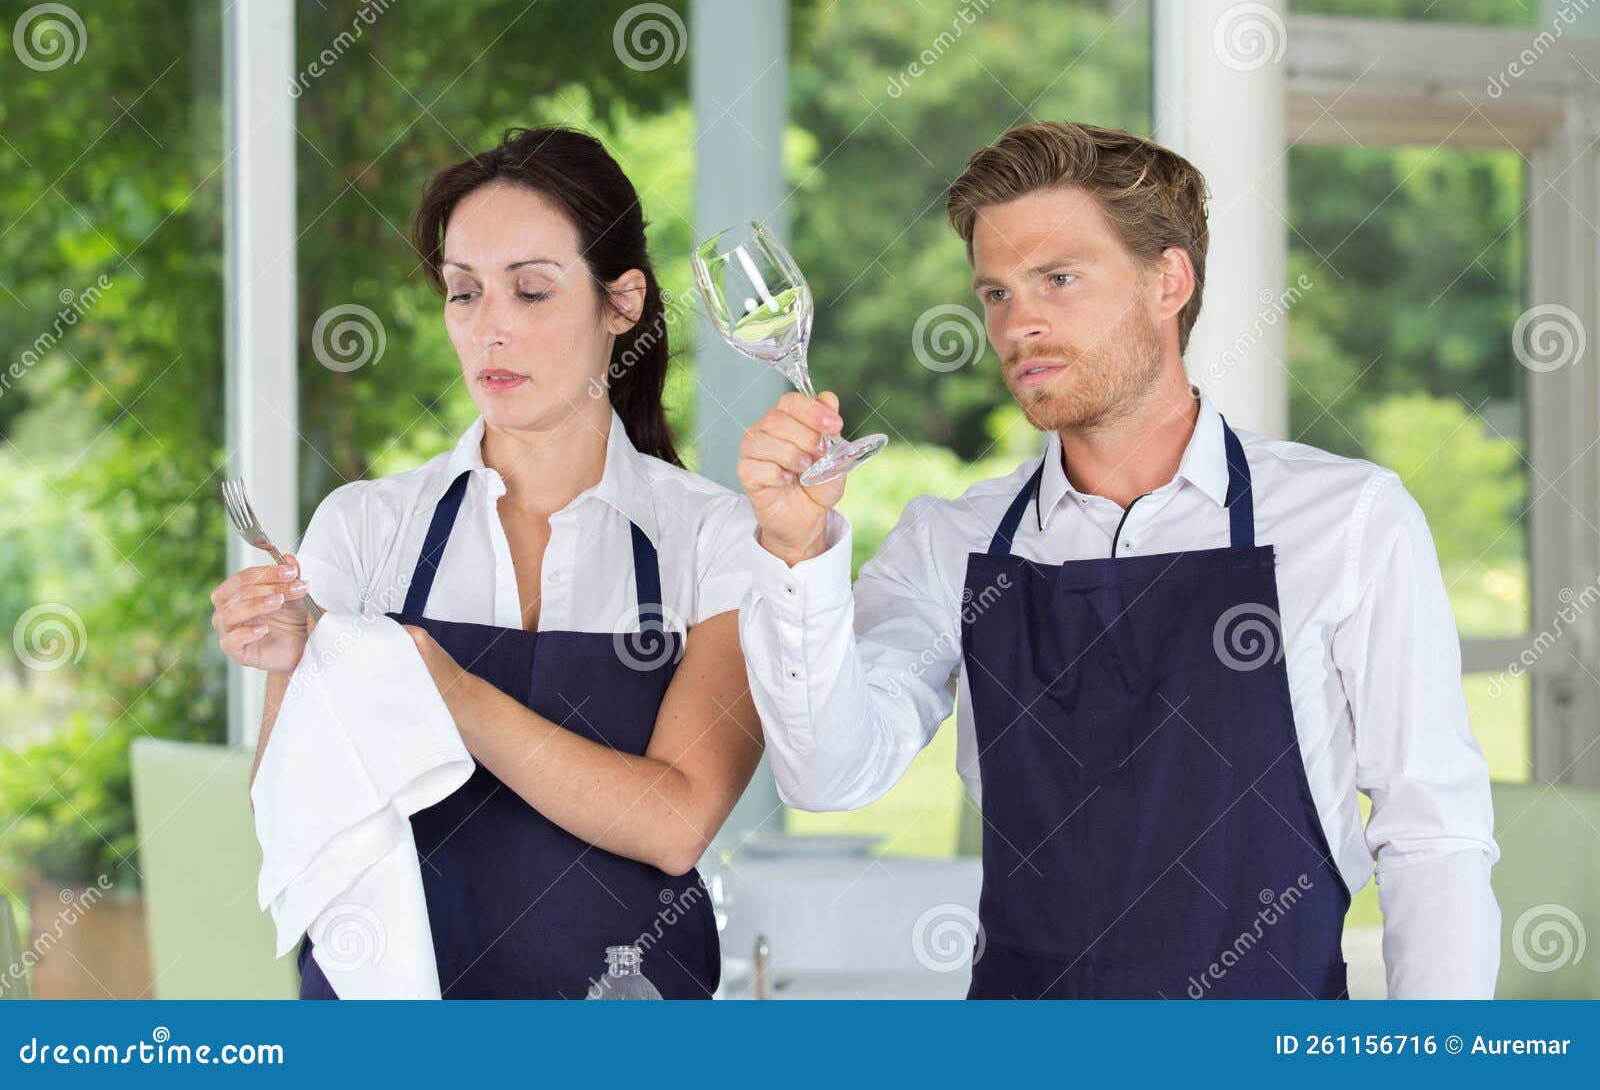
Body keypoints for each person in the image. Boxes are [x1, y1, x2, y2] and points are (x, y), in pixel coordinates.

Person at [734, 120, 1500, 999]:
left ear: (1168, 280)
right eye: (995, 293)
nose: (1020, 323)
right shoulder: (953, 542)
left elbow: (1433, 835)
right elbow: (829, 774)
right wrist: (796, 549)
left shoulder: (1348, 520)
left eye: (1058, 279)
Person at [210, 125, 762, 1000]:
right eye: (464, 293)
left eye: (531, 291)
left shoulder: (714, 538)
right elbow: (294, 815)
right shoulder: (364, 528)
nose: (490, 328)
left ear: (623, 302)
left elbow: (677, 820)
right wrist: (294, 670)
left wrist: (451, 691)